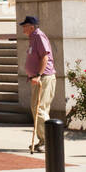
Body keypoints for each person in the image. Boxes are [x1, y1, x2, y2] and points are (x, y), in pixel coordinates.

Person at [20, 15, 55, 154]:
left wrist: (39, 75)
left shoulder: (39, 36)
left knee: (39, 108)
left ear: (31, 27)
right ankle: (44, 140)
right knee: (39, 108)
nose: (23, 29)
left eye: (25, 26)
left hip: (44, 77)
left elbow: (45, 56)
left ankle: (49, 141)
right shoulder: (33, 38)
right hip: (38, 78)